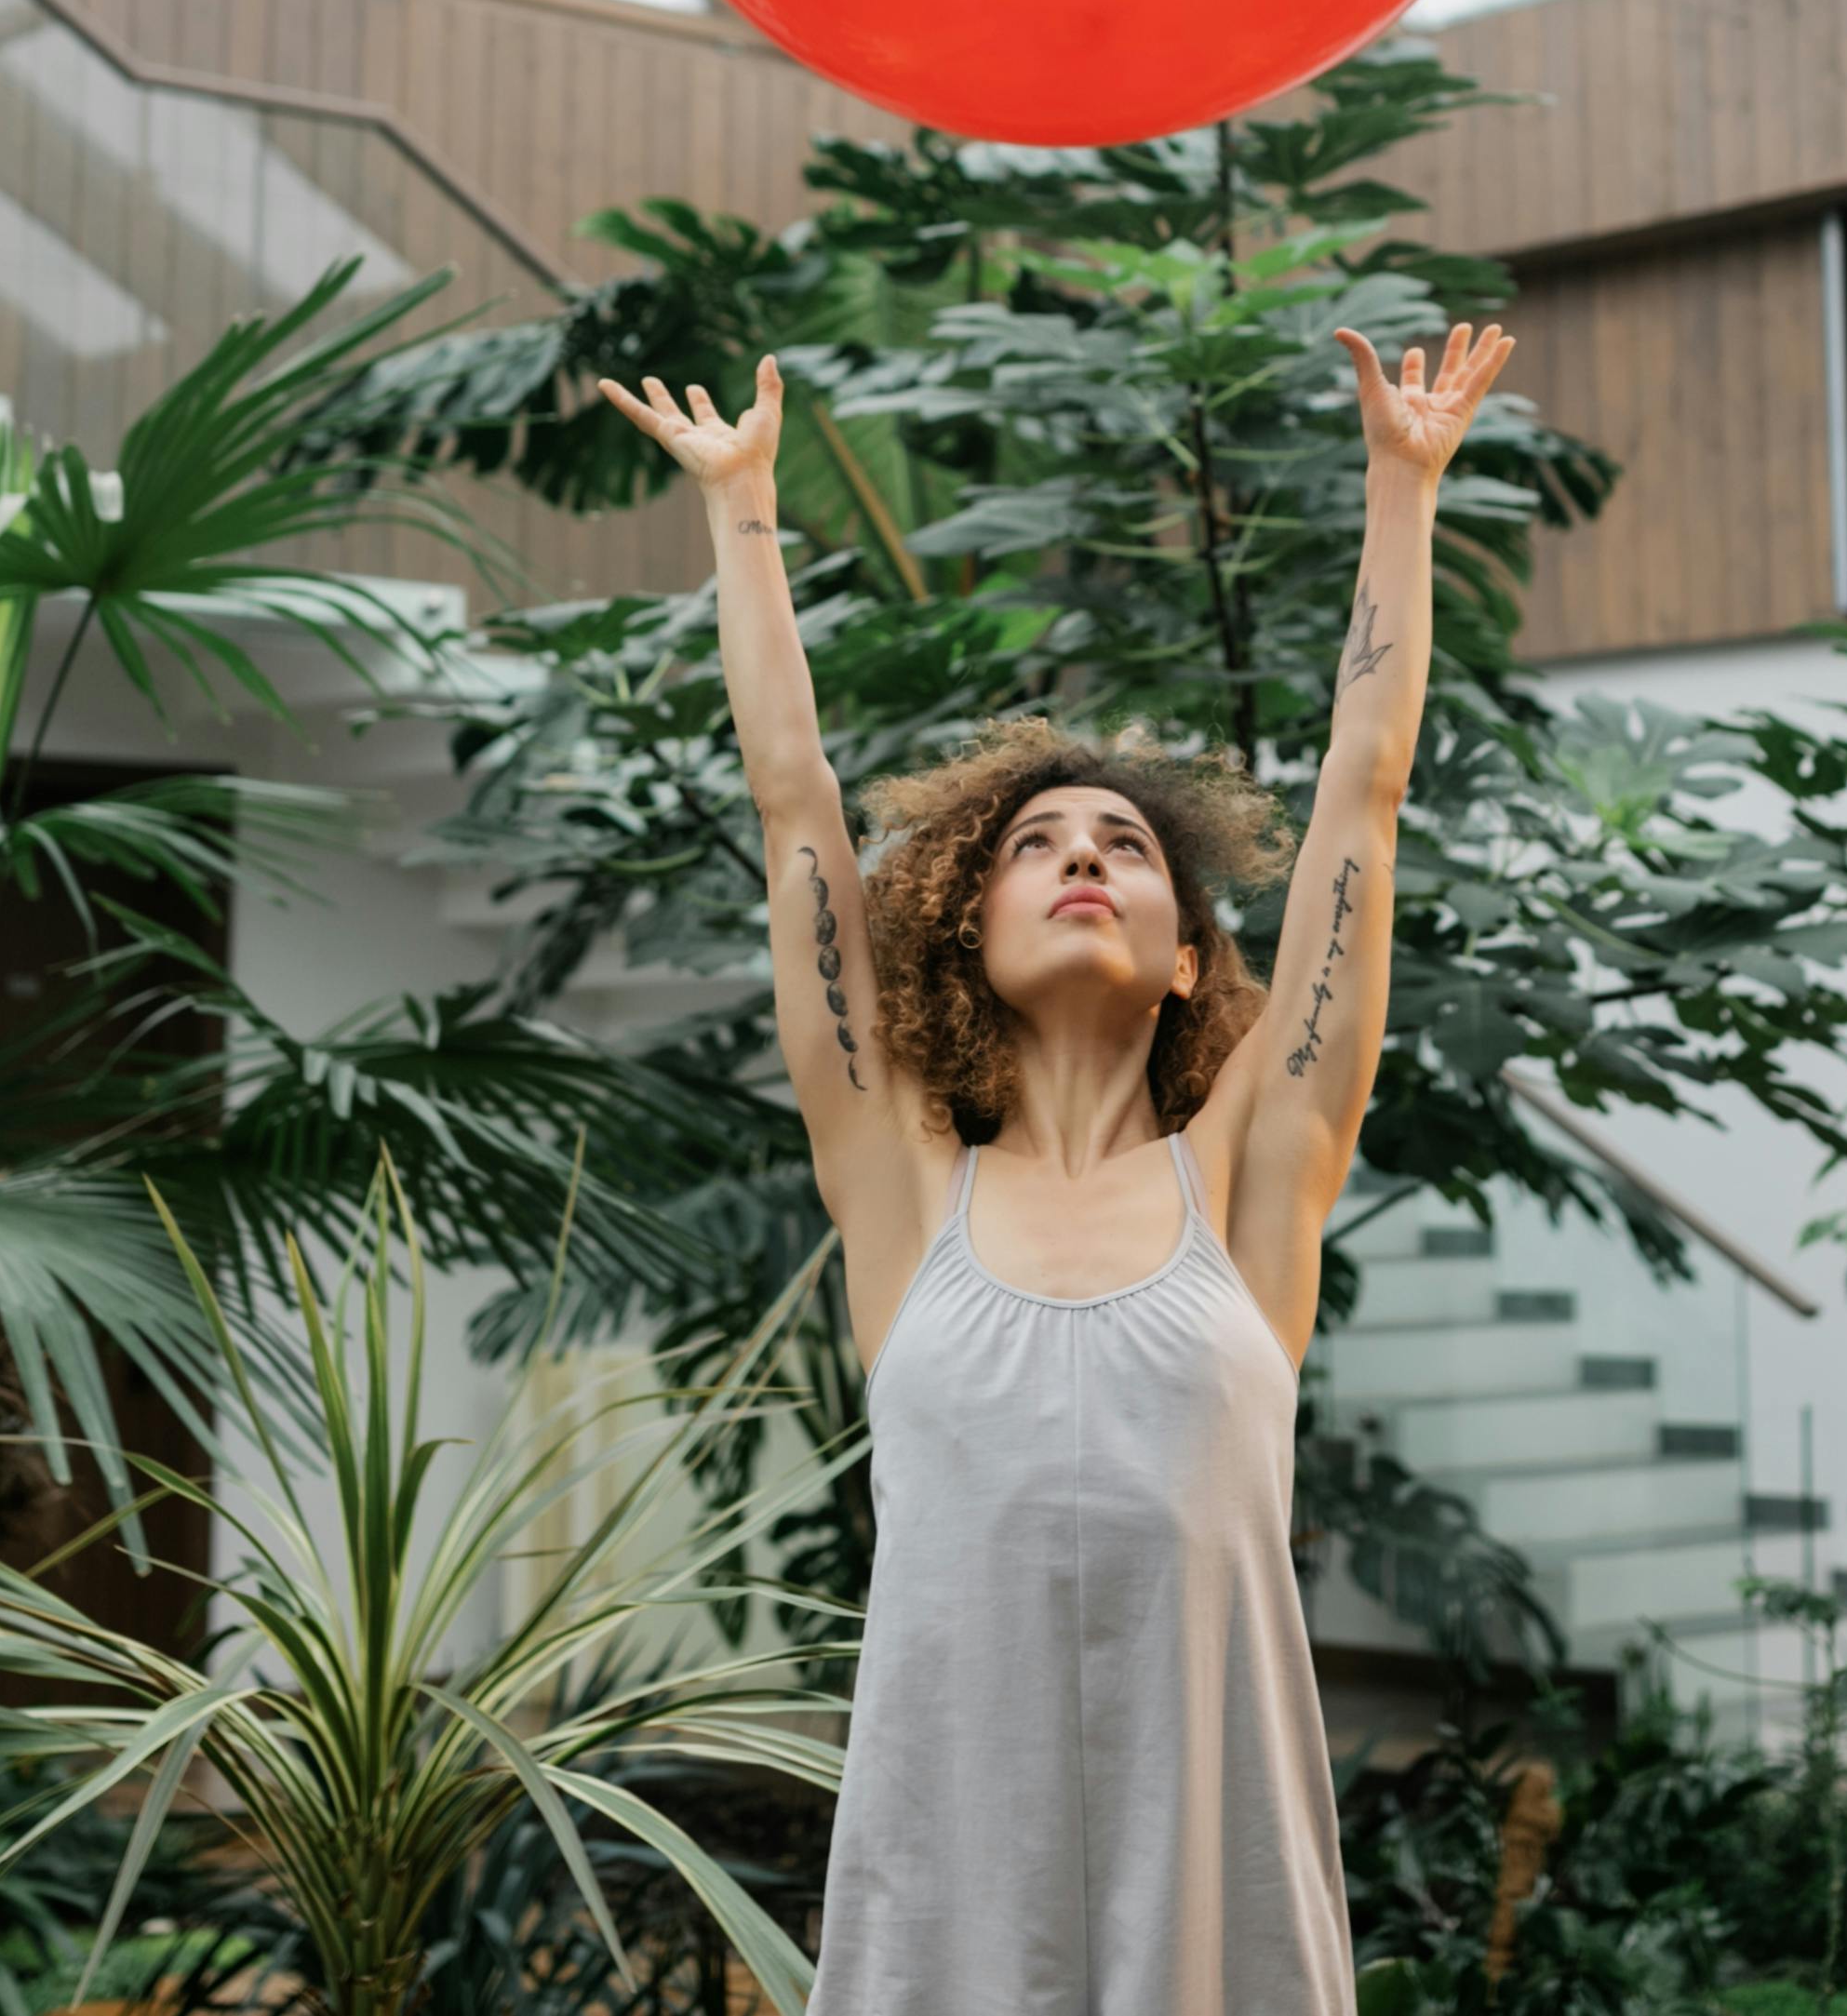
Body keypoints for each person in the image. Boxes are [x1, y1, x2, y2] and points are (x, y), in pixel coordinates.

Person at [593, 316, 1518, 2016]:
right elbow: (794, 806)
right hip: (955, 1892)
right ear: (960, 928)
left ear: (1184, 955)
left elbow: (1361, 804)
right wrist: (741, 509)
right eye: (1036, 845)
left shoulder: (1253, 1170)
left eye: (1123, 847)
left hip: (1214, 1894)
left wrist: (1404, 484)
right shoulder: (899, 1174)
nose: (1084, 854)